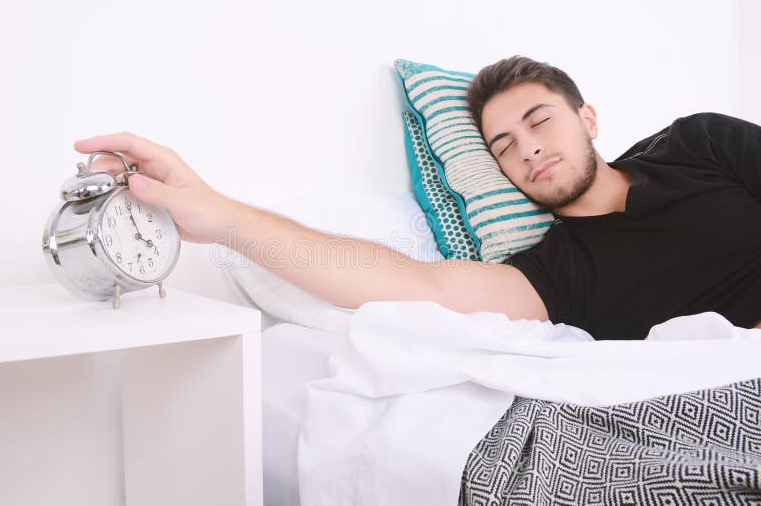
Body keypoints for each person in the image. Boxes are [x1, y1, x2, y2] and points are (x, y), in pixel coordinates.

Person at [74, 56, 761, 339]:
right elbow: (415, 283)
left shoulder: (698, 144)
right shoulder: (557, 271)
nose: (526, 148)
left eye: (539, 120)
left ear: (586, 119)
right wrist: (221, 215)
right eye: (502, 145)